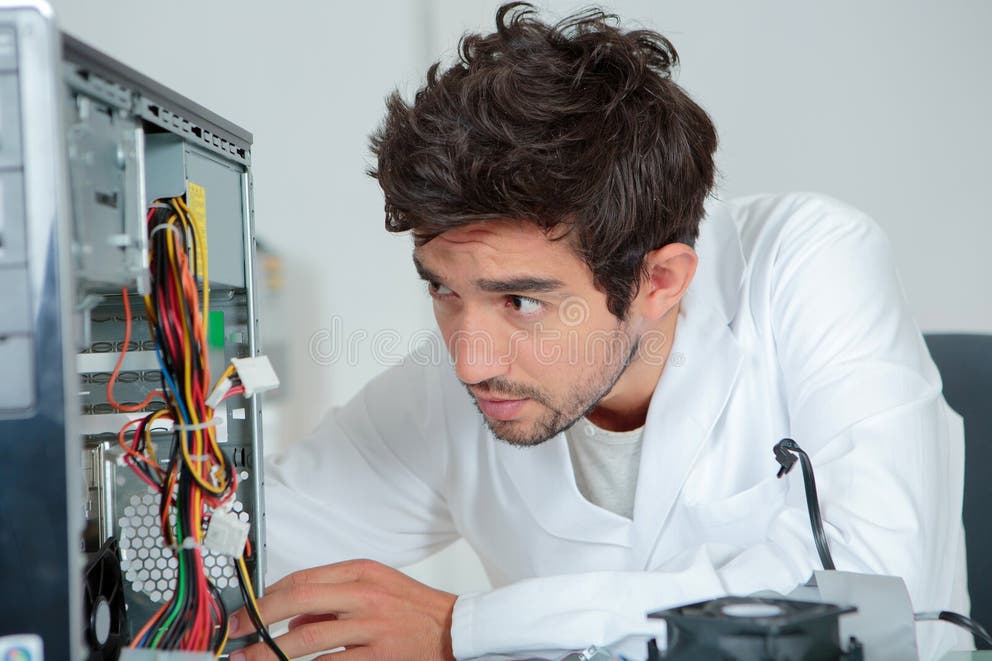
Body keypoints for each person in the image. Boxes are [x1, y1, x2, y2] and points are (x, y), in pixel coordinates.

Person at [229, 3, 969, 659]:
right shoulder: (457, 378)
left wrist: (467, 631)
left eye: (521, 299)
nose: (468, 359)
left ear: (659, 282)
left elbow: (875, 591)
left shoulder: (808, 262)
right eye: (441, 288)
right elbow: (254, 550)